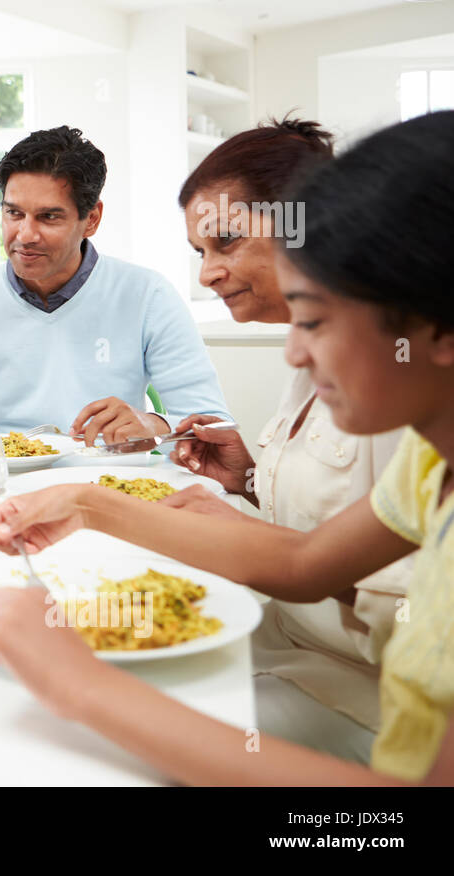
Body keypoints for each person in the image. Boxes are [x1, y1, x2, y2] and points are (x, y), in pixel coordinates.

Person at [0, 111, 454, 784]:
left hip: (338, 683)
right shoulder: (432, 459)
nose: (294, 349)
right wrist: (89, 502)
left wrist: (81, 687)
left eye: (316, 319)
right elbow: (309, 558)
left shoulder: (404, 419)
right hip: (290, 646)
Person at [164, 116, 406, 762]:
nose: (208, 274)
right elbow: (335, 515)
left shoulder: (393, 373)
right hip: (282, 642)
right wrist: (248, 476)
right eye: (200, 253)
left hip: (360, 690)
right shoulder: (306, 352)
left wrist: (240, 538)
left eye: (226, 242)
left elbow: (382, 590)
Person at [0, 126, 231, 450]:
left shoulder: (146, 295)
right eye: (14, 214)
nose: (25, 235)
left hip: (109, 492)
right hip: (3, 497)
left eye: (49, 216)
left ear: (91, 219)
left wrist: (152, 425)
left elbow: (212, 425)